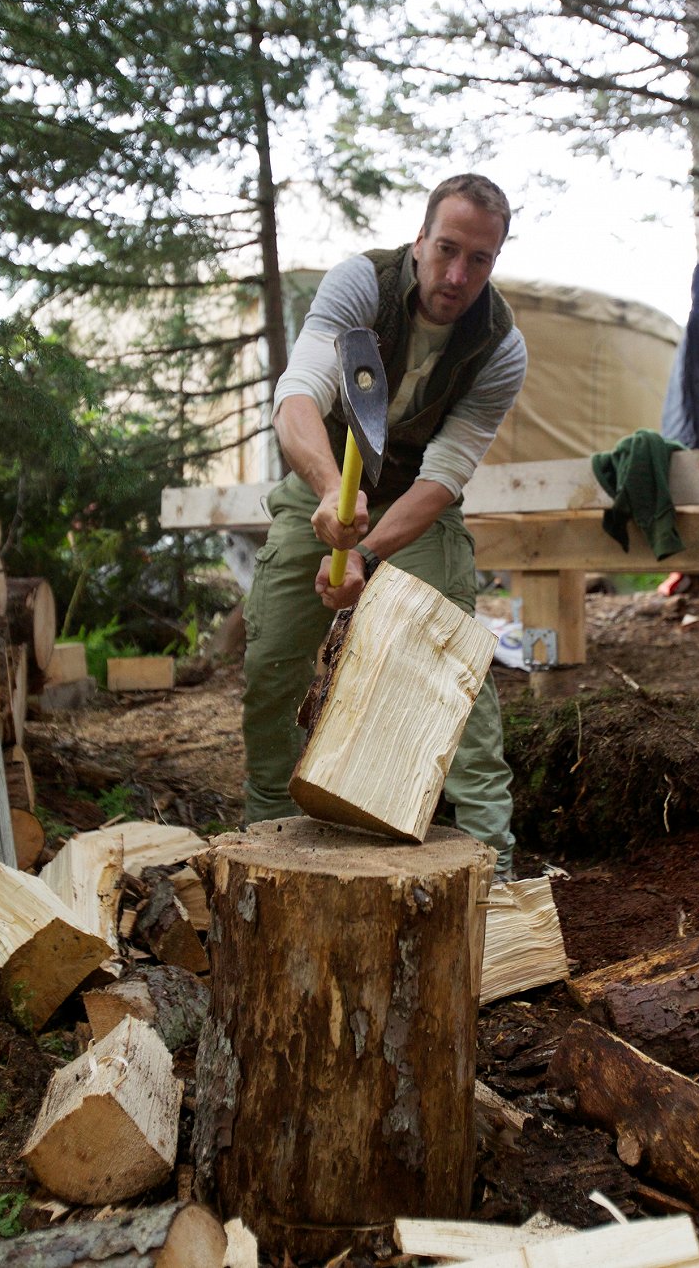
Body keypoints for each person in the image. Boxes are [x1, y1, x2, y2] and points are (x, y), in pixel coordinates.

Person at [241, 173, 527, 875]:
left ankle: (495, 872)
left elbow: (444, 474)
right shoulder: (359, 286)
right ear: (420, 238)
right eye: (447, 249)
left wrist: (364, 547)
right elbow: (298, 398)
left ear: (495, 261)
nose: (457, 275)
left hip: (412, 511)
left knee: (456, 677)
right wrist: (332, 498)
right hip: (323, 485)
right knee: (273, 667)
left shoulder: (500, 346)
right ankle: (265, 853)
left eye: (479, 260)